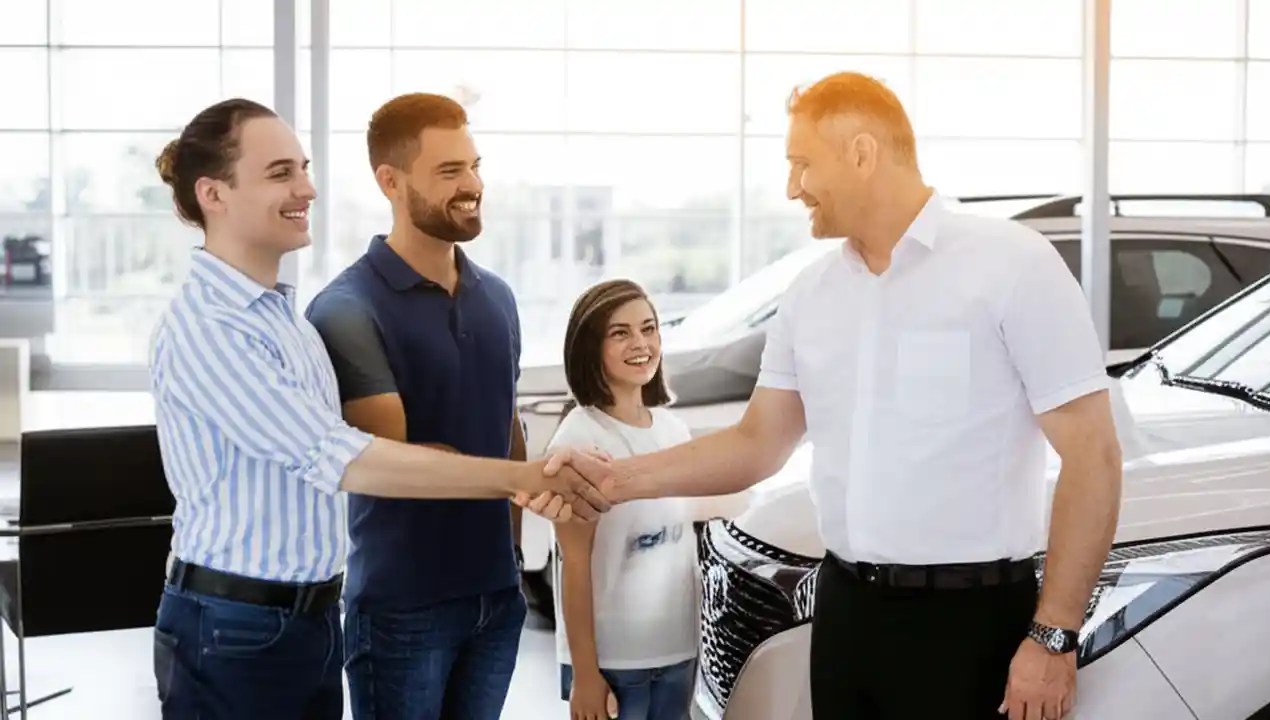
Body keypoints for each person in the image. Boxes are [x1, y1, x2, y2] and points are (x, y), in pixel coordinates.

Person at [546, 72, 1124, 720]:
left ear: (861, 152)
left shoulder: (1012, 264)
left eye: (802, 164)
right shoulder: (812, 293)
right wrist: (613, 480)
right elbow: (757, 443)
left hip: (970, 622)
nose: (792, 187)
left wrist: (1053, 635)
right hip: (847, 612)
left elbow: (1093, 454)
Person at [148, 98, 607, 720]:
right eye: (281, 173)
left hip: (305, 620)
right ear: (214, 194)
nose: (307, 187)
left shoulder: (285, 321)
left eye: (304, 168)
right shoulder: (209, 326)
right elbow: (344, 458)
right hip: (236, 628)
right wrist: (521, 479)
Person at [304, 92, 535, 720]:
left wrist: (510, 561)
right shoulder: (346, 310)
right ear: (390, 181)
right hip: (406, 608)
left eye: (475, 165)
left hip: (497, 596)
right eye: (449, 171)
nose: (473, 185)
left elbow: (505, 424)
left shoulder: (499, 298)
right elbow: (402, 465)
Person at [547, 280, 699, 720]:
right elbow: (573, 565)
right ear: (590, 347)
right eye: (621, 333)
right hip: (614, 663)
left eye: (649, 329)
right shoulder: (580, 435)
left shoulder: (673, 430)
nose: (641, 343)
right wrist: (585, 674)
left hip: (678, 652)